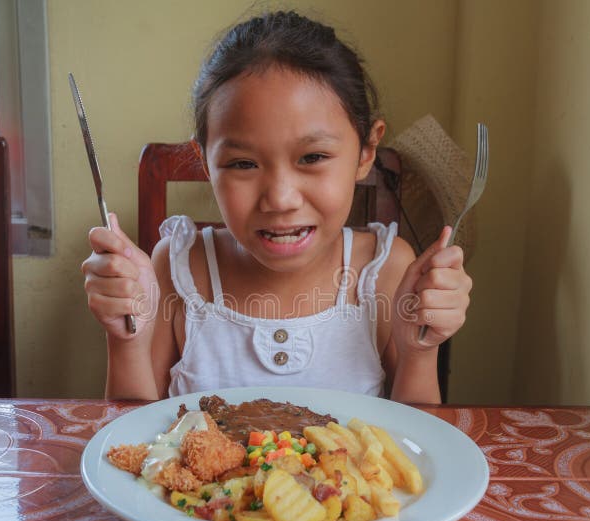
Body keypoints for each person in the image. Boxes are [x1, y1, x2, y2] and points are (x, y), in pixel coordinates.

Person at [82, 11, 472, 403]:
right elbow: (132, 439)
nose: (281, 199)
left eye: (313, 157)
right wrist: (126, 338)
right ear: (205, 163)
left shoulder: (385, 272)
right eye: (243, 164)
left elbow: (417, 446)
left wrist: (420, 350)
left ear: (366, 152)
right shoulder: (180, 269)